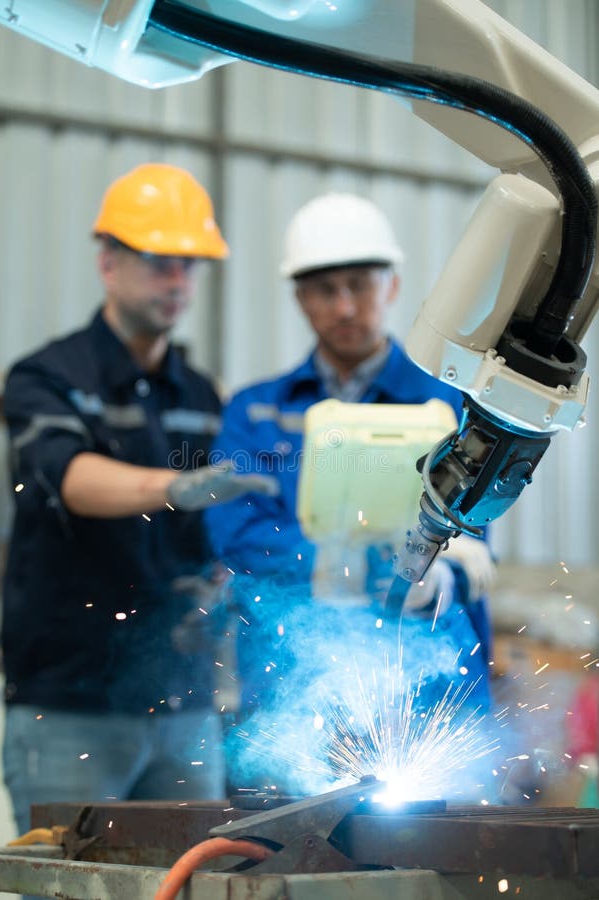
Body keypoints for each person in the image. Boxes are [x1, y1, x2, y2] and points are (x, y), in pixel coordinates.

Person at [1, 163, 278, 842]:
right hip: (70, 708)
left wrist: (220, 581)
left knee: (190, 885)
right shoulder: (48, 378)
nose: (177, 281)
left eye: (188, 265)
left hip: (183, 704)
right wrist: (174, 488)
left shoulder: (202, 397)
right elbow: (67, 477)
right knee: (71, 888)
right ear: (108, 262)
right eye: (159, 262)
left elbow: (214, 531)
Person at [206, 193, 495, 769]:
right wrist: (350, 565)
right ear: (299, 298)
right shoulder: (256, 412)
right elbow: (237, 534)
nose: (344, 306)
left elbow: (474, 523)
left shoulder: (449, 404)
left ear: (391, 286)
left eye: (360, 284)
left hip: (426, 685)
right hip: (297, 690)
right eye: (324, 289)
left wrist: (444, 573)